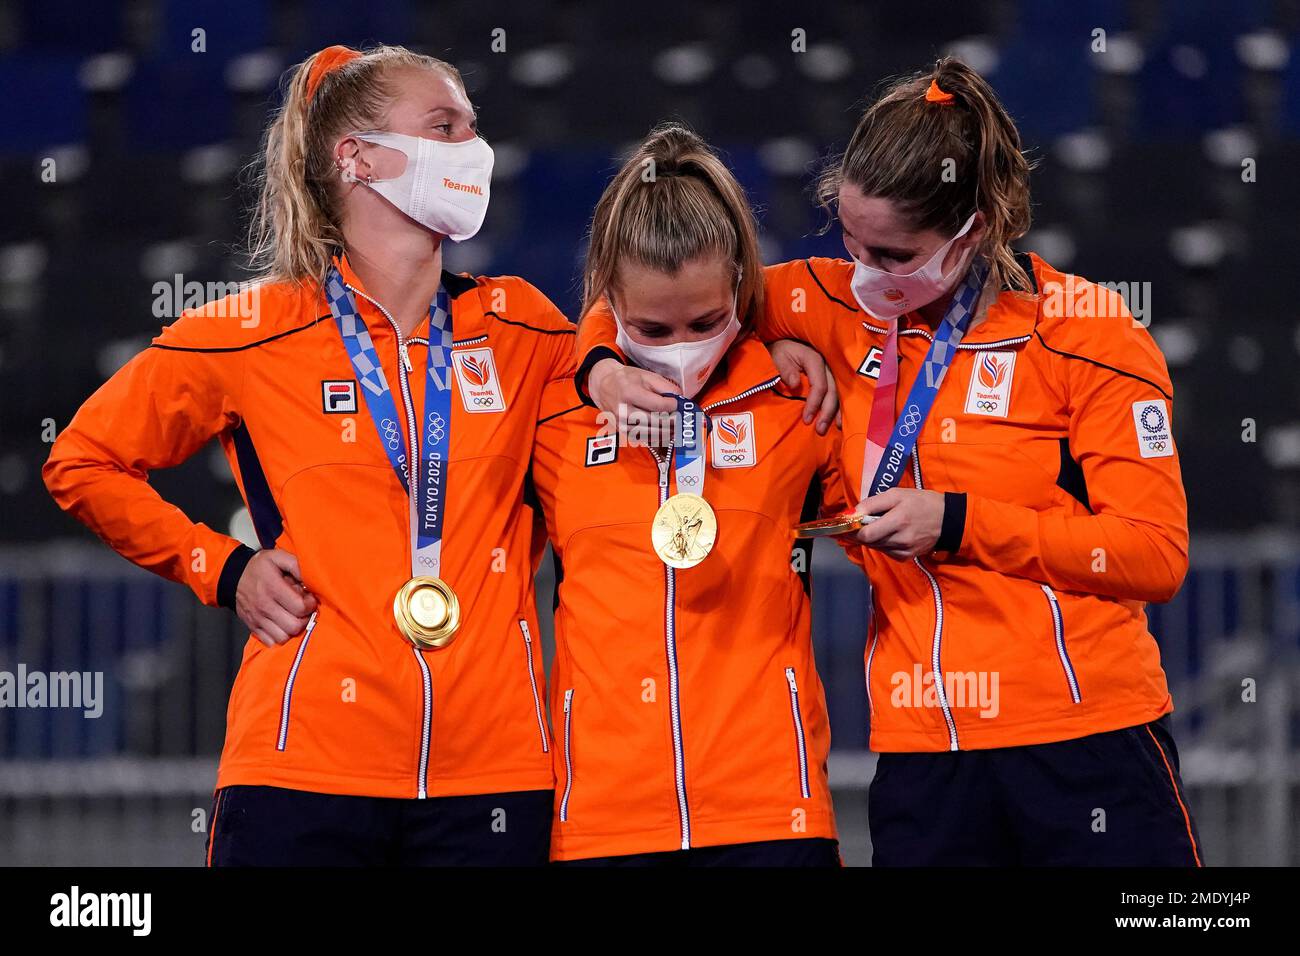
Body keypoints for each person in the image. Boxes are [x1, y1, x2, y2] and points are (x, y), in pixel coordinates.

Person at [579, 58, 1202, 866]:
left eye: (896, 254)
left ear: (976, 227)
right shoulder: (821, 300)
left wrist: (958, 522)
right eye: (850, 239)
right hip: (922, 751)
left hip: (1088, 734)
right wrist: (600, 365)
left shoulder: (1086, 332)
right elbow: (656, 284)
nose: (866, 272)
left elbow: (1156, 554)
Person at [43, 44, 575, 866]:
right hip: (303, 767)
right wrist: (220, 567)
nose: (475, 148)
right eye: (444, 126)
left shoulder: (522, 327)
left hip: (494, 777)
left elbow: (634, 366)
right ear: (355, 158)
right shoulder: (254, 330)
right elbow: (81, 460)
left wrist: (776, 353)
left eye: (474, 126)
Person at [532, 124, 848, 866]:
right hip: (602, 824)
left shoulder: (796, 400)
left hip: (776, 815)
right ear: (608, 299)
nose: (682, 347)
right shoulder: (553, 413)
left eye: (706, 322)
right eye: (650, 326)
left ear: (741, 281)